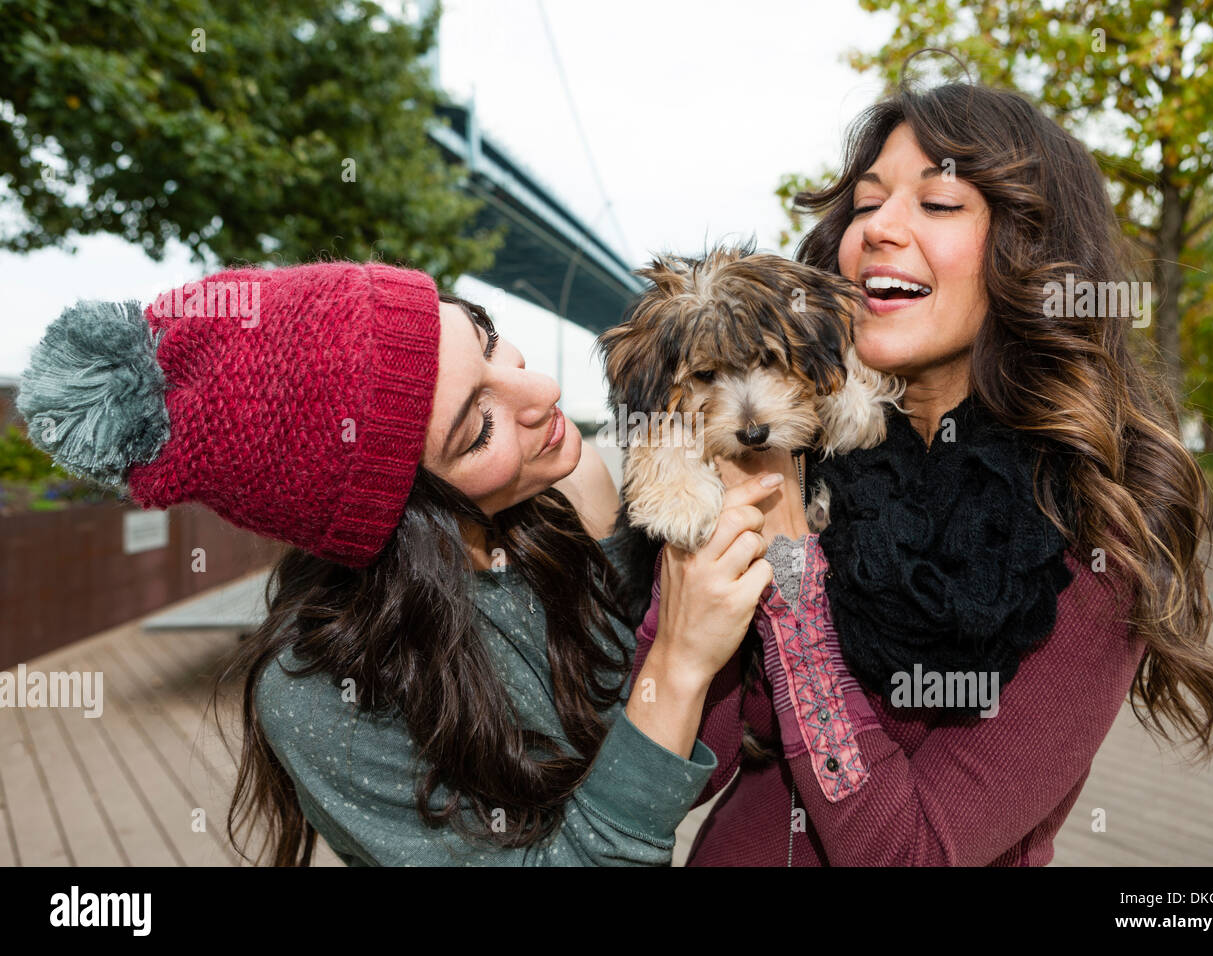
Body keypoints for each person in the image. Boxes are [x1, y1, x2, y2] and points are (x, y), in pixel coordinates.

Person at [631, 80, 1213, 866]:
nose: (881, 228)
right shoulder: (802, 450)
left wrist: (794, 580)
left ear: (1027, 249)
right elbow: (673, 774)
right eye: (866, 203)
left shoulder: (1092, 537)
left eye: (939, 203)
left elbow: (912, 854)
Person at [14, 261, 789, 866]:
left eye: (486, 338)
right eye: (478, 425)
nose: (542, 388)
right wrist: (681, 663)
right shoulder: (318, 698)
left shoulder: (565, 503)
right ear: (403, 511)